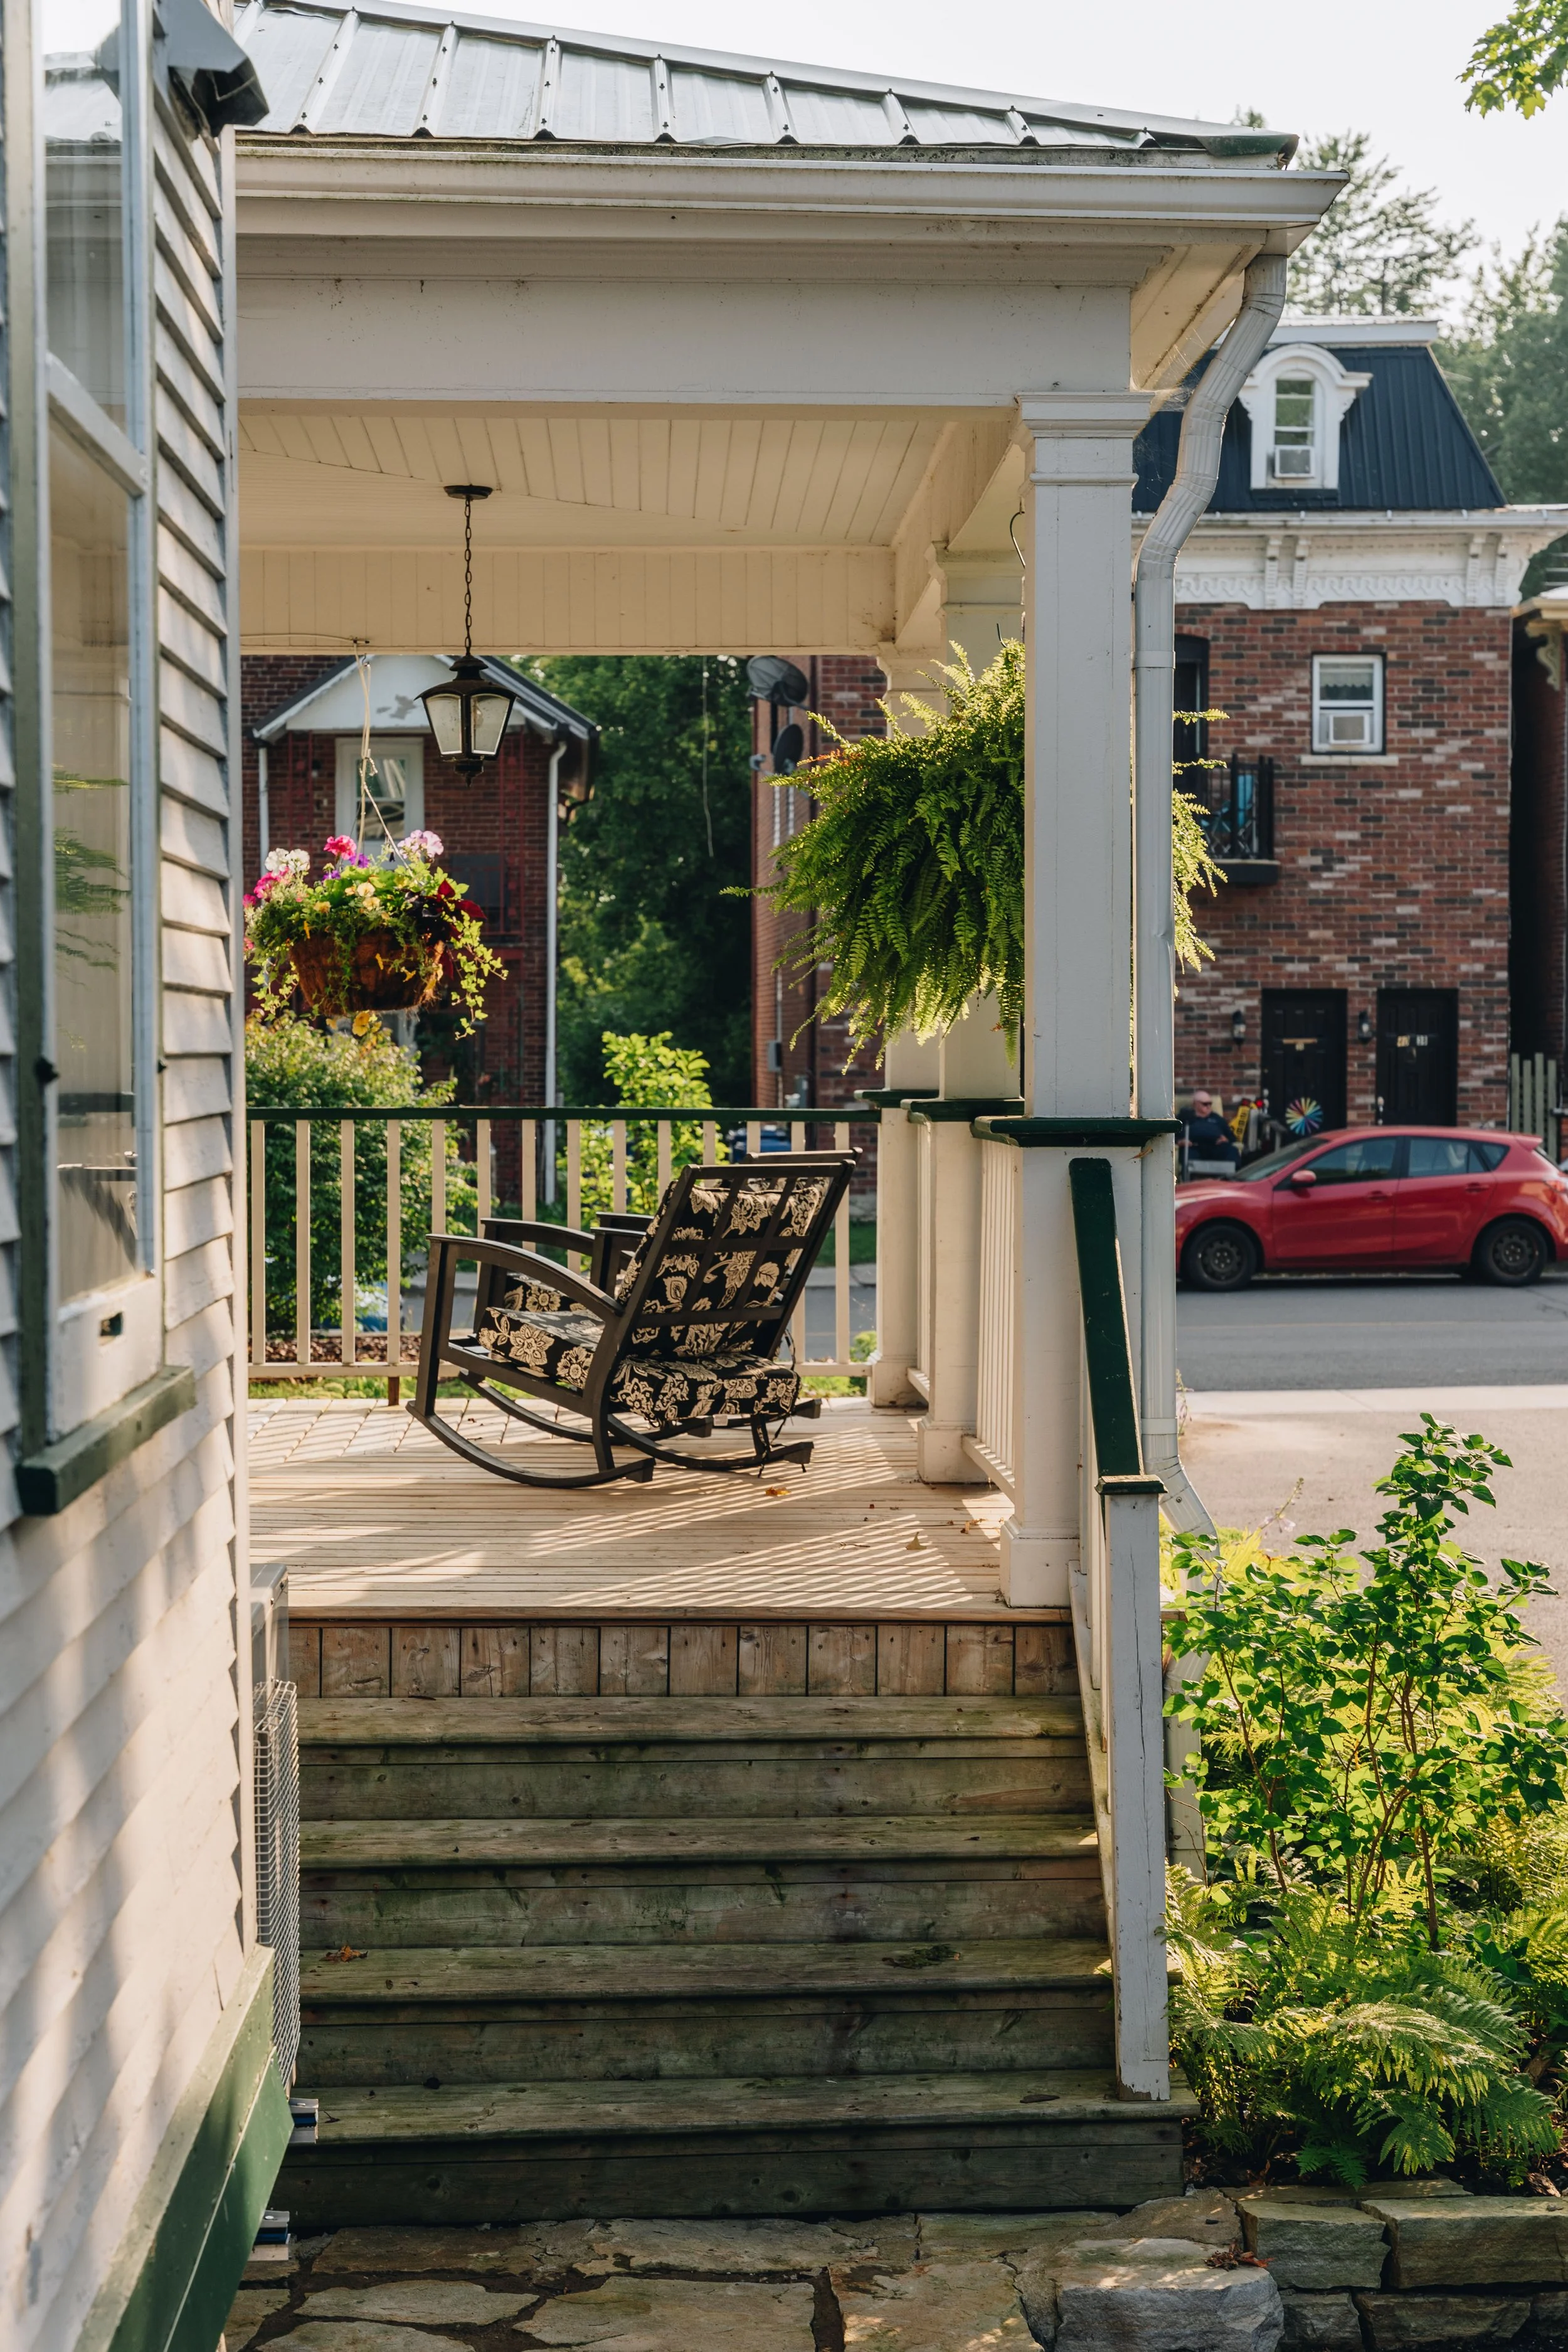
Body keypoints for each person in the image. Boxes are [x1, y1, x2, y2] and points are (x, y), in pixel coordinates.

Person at [1182, 1089, 1239, 1172]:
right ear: (1195, 1104)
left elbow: (1231, 1137)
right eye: (1205, 1104)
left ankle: (1231, 1180)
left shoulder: (1217, 1118)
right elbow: (1175, 1134)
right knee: (1186, 1153)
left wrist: (1226, 1139)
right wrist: (1181, 1142)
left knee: (1232, 1151)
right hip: (1194, 1147)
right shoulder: (1186, 1117)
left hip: (1216, 1147)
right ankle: (1190, 1180)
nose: (1209, 1106)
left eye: (1210, 1104)